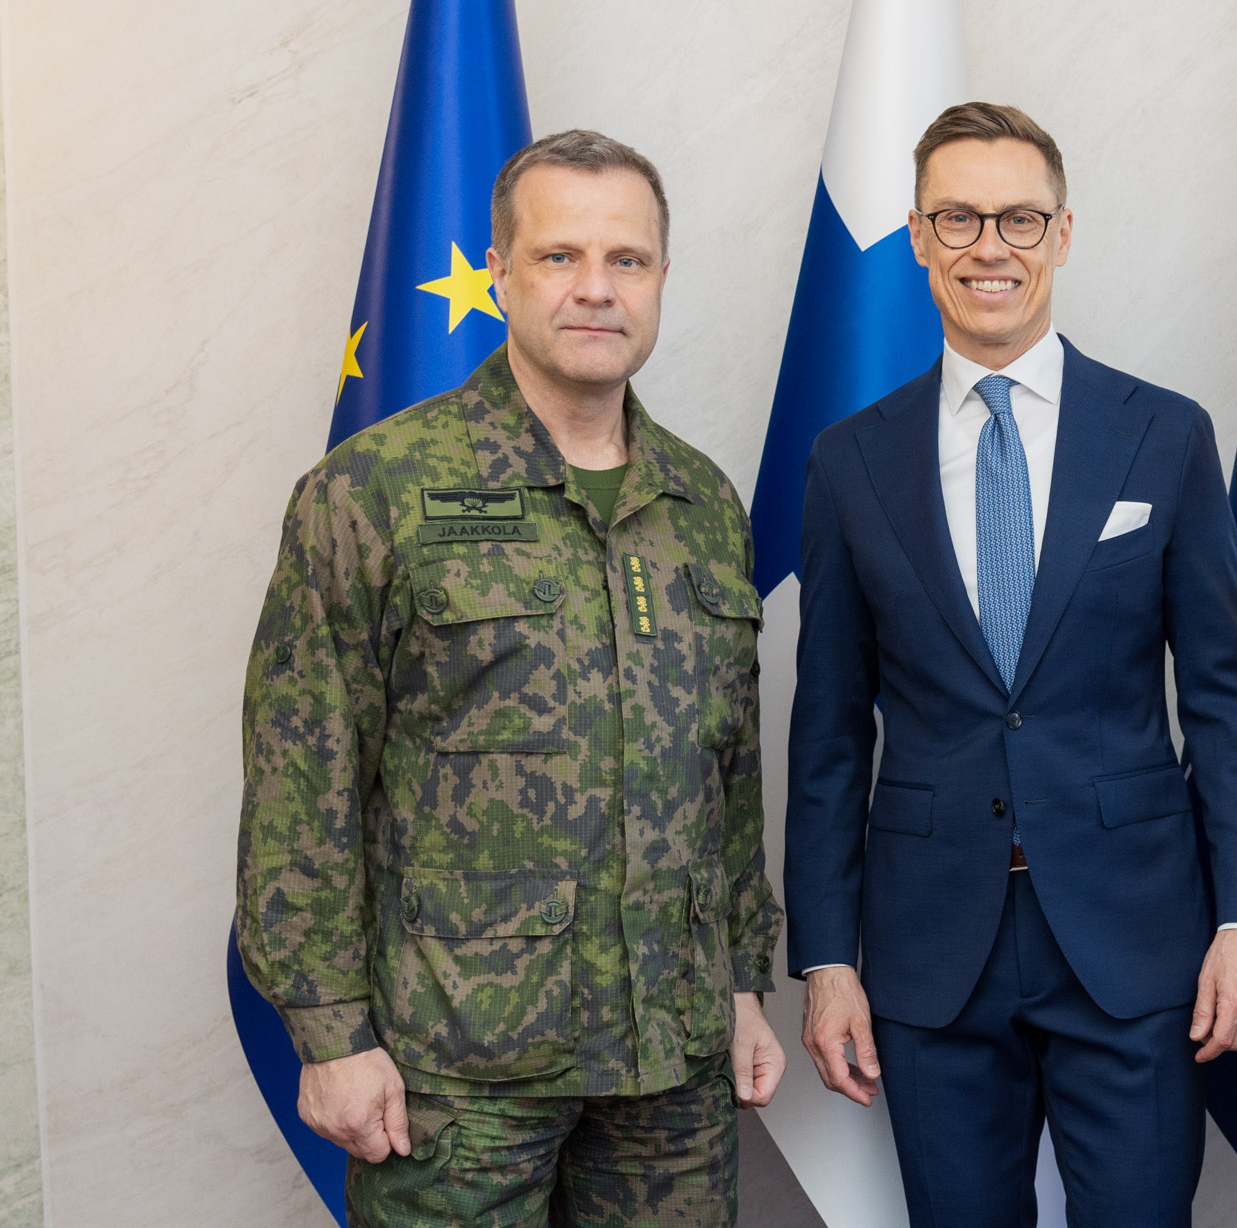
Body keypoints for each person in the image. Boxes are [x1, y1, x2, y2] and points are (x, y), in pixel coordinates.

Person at [235, 129, 784, 1226]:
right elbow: (303, 779)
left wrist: (739, 984)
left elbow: (723, 772)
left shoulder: (702, 505)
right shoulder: (374, 490)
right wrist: (332, 1033)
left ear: (661, 280)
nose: (596, 288)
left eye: (627, 260)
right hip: (456, 1075)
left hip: (668, 1066)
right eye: (559, 256)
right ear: (500, 272)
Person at [781, 101, 1237, 1228]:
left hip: (1133, 939)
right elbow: (827, 727)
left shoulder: (1163, 433)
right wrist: (825, 956)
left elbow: (1222, 701)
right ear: (916, 236)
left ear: (1064, 234)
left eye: (1018, 217)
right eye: (958, 218)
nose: (989, 246)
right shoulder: (851, 459)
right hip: (926, 949)